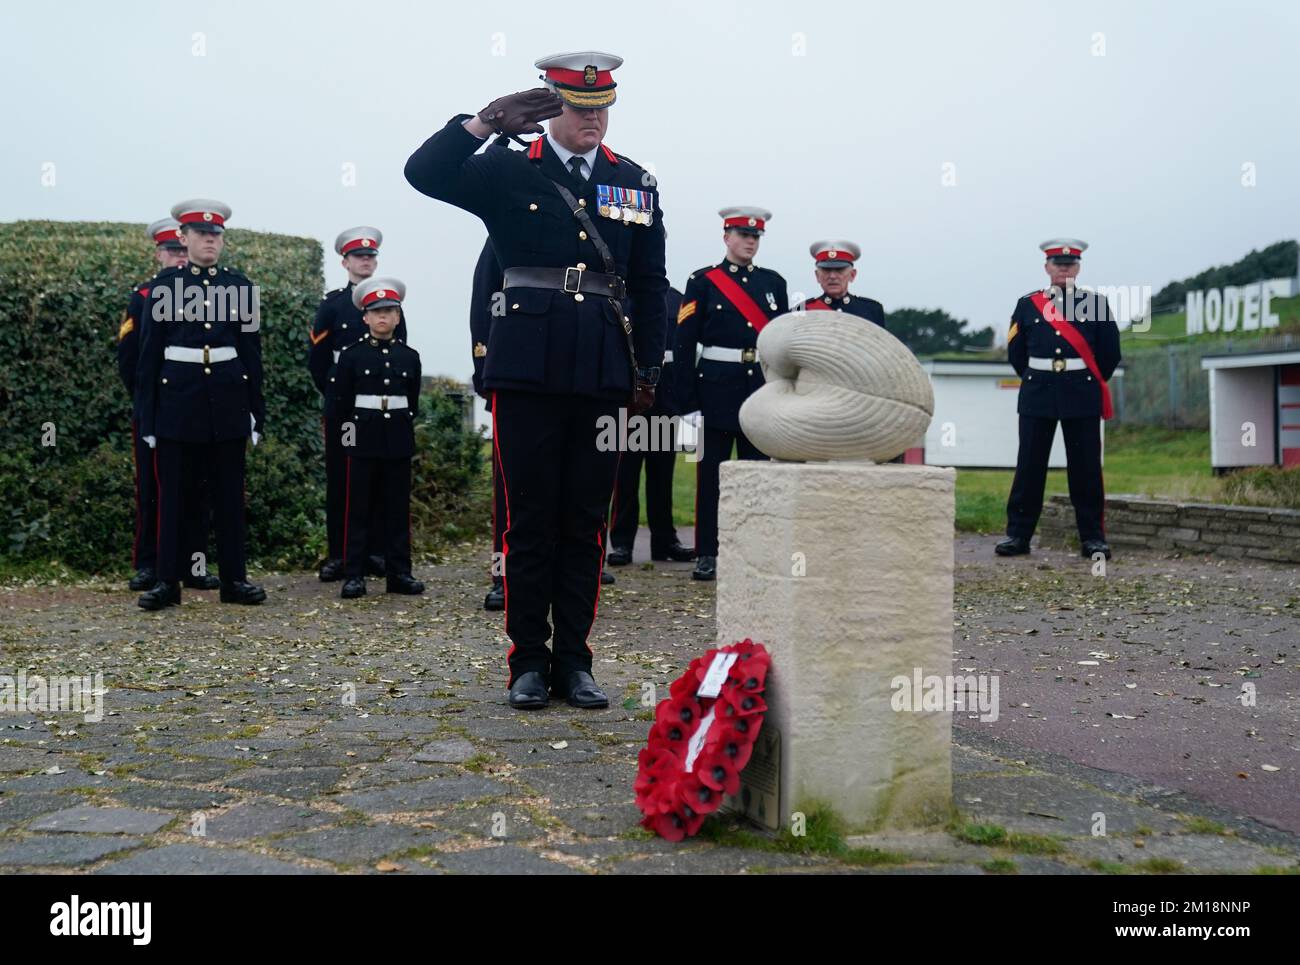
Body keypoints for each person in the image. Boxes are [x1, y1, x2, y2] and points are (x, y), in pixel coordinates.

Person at [404, 50, 667, 710]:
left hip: (604, 369)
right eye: (581, 110)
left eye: (603, 109)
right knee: (529, 522)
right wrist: (485, 121)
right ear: (551, 107)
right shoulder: (502, 168)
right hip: (525, 369)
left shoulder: (635, 182)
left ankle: (575, 661)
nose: (594, 121)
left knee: (585, 523)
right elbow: (423, 173)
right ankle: (527, 661)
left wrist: (650, 369)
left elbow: (650, 283)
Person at [135, 199, 267, 610]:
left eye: (215, 235)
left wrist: (255, 412)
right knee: (173, 496)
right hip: (178, 402)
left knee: (229, 497)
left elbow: (251, 354)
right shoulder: (164, 288)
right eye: (201, 234)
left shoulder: (241, 287)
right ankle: (167, 582)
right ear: (184, 238)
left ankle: (234, 580)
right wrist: (149, 416)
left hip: (226, 402)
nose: (210, 240)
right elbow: (149, 357)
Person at [674, 207, 787, 581]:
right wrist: (687, 402)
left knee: (756, 477)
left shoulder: (774, 283)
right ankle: (708, 552)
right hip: (715, 389)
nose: (749, 241)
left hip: (759, 392)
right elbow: (685, 341)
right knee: (712, 478)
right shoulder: (703, 281)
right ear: (727, 238)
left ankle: (753, 552)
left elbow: (780, 343)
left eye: (755, 236)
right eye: (742, 234)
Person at [997, 239, 1121, 560]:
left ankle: (1093, 538)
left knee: (1086, 469)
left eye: (1070, 264)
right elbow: (1016, 353)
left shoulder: (1095, 303)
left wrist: (1085, 380)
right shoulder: (1027, 305)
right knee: (1029, 467)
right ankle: (1018, 535)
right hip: (1038, 393)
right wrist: (1039, 376)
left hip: (1081, 392)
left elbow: (1110, 353)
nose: (1063, 268)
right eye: (1057, 263)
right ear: (1047, 267)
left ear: (1078, 268)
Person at [118, 219, 219, 593]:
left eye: (181, 250)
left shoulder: (207, 293)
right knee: (152, 488)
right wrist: (150, 402)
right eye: (171, 251)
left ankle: (194, 566)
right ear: (159, 254)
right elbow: (130, 360)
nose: (178, 257)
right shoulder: (144, 296)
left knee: (199, 489)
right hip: (156, 409)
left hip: (195, 409)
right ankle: (149, 565)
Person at [309, 227, 408, 583]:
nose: (366, 261)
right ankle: (340, 554)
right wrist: (336, 397)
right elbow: (318, 358)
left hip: (380, 411)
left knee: (382, 482)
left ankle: (377, 553)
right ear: (345, 262)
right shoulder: (333, 304)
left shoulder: (390, 305)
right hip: (344, 411)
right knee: (341, 481)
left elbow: (400, 359)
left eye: (370, 256)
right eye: (359, 257)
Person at [333, 277, 425, 599]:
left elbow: (412, 402)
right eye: (376, 311)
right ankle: (354, 575)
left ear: (398, 317)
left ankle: (400, 573)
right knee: (358, 508)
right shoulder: (351, 356)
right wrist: (349, 444)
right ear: (365, 317)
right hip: (362, 436)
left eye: (389, 310)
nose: (383, 317)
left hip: (397, 436)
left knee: (397, 509)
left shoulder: (409, 356)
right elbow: (340, 405)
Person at [606, 286, 695, 566]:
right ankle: (621, 544)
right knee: (626, 475)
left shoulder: (677, 299)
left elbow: (684, 353)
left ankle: (665, 541)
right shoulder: (619, 295)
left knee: (662, 473)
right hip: (630, 397)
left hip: (665, 398)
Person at [800, 241, 885, 325]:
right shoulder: (803, 311)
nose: (832, 276)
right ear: (817, 276)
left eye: (839, 269)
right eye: (826, 270)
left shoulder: (871, 310)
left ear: (852, 275)